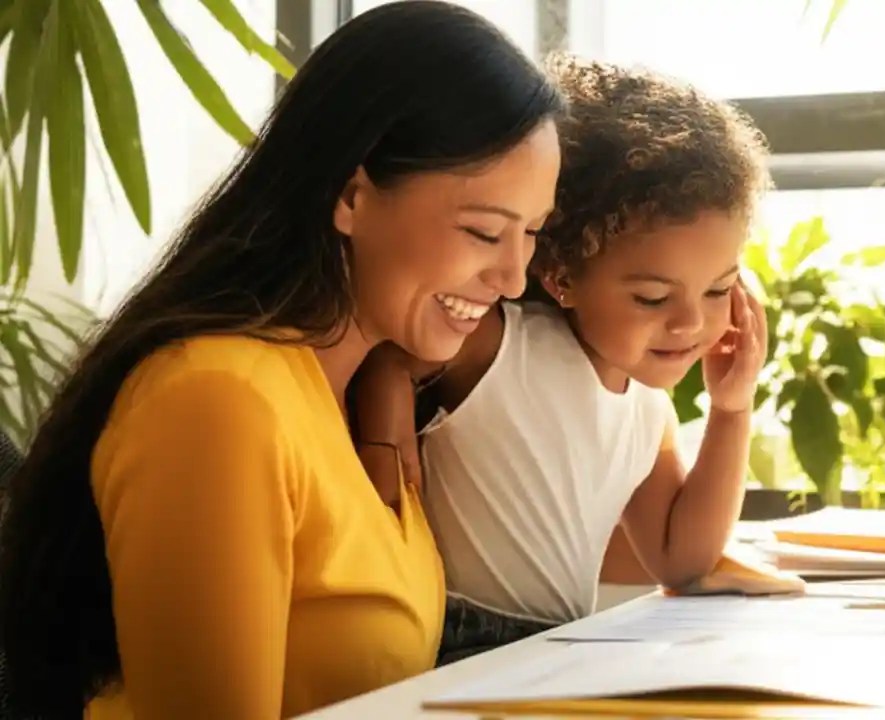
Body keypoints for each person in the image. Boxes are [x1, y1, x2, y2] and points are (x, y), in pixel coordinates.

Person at [0, 2, 561, 717]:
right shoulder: (219, 400)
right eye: (485, 232)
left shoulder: (351, 396)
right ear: (351, 196)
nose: (514, 278)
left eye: (533, 235)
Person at [357, 54, 774, 664]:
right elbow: (388, 360)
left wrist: (732, 410)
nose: (690, 322)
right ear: (560, 275)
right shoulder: (502, 342)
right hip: (454, 636)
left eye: (718, 289)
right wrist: (394, 471)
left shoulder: (645, 407)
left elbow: (680, 560)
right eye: (653, 296)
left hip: (559, 642)